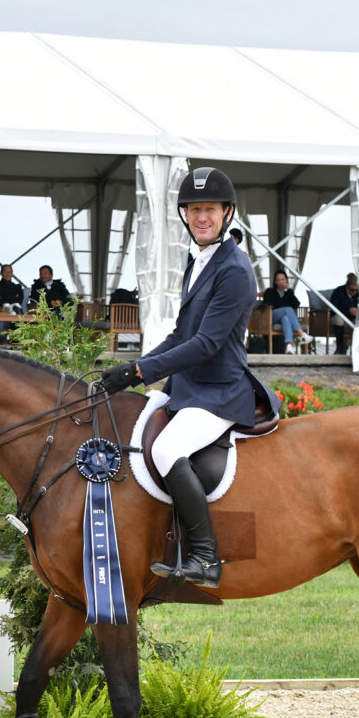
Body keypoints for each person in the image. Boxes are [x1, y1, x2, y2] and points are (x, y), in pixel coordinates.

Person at [99, 167, 280, 589]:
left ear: (227, 213)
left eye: (210, 210)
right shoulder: (198, 261)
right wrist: (132, 369)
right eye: (195, 209)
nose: (202, 217)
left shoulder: (234, 269)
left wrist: (141, 370)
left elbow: (206, 344)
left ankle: (204, 556)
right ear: (185, 215)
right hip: (188, 388)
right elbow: (181, 334)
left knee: (165, 448)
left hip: (218, 391)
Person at [261, 270, 309, 353]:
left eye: (282, 279)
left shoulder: (288, 294)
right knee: (288, 309)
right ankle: (301, 333)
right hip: (271, 316)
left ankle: (289, 345)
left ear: (286, 280)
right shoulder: (270, 291)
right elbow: (269, 304)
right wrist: (284, 307)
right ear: (275, 281)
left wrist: (289, 290)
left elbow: (296, 304)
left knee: (286, 318)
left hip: (283, 317)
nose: (280, 282)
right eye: (278, 280)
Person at [0, 264, 26, 343]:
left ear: (12, 274)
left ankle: (17, 341)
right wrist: (12, 298)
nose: (8, 274)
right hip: (0, 311)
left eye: (10, 272)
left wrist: (4, 298)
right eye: (5, 272)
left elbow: (19, 300)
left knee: (17, 311)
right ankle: (2, 342)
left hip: (15, 311)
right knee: (14, 311)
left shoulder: (17, 287)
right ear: (1, 273)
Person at [329, 273, 359, 354]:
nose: (354, 292)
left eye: (356, 290)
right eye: (352, 290)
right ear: (347, 287)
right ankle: (340, 347)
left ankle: (355, 350)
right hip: (340, 316)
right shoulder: (338, 291)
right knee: (338, 320)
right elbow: (333, 308)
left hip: (354, 318)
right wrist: (348, 310)